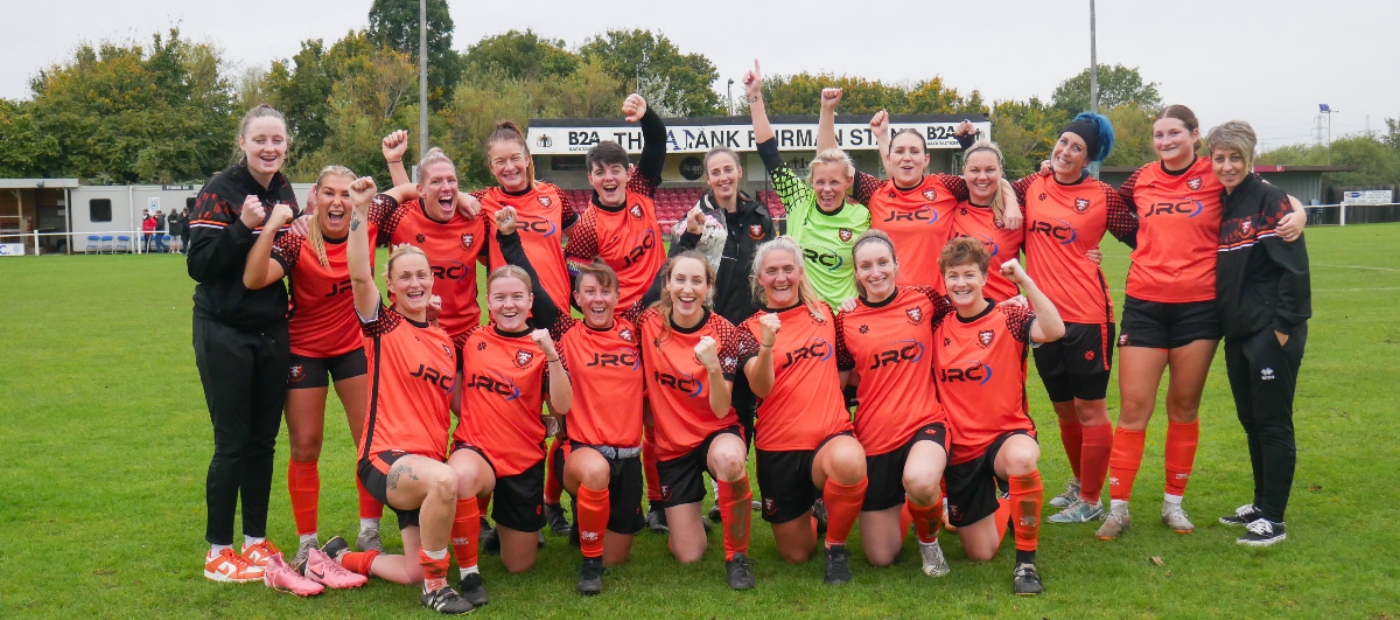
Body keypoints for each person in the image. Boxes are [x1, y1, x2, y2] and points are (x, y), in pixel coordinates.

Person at [1099, 105, 1306, 539]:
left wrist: (1299, 211)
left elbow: (1270, 194)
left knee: (1184, 408)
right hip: (1145, 302)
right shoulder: (1142, 177)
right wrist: (1137, 242)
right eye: (1158, 135)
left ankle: (1174, 505)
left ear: (1194, 136)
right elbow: (1111, 206)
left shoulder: (1217, 173)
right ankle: (1118, 508)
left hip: (1201, 307)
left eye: (1174, 133)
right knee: (1134, 407)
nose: (1165, 141)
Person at [323, 175, 475, 614]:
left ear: (432, 281)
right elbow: (356, 273)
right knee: (446, 480)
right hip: (385, 460)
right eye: (404, 276)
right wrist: (359, 213)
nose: (414, 283)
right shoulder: (383, 326)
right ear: (390, 285)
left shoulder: (445, 340)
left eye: (421, 275)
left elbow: (459, 404)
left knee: (411, 567)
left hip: (424, 466)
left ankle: (337, 557)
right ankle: (437, 588)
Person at [242, 165, 386, 565]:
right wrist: (272, 227)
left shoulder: (369, 219)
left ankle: (369, 531)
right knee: (305, 445)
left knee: (369, 443)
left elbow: (413, 194)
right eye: (329, 193)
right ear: (315, 198)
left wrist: (386, 180)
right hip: (305, 349)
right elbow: (254, 279)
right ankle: (307, 539)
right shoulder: (297, 238)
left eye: (345, 193)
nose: (337, 201)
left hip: (355, 347)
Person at [997, 116, 1132, 525]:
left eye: (1077, 147)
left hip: (1088, 314)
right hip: (1042, 319)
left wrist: (1094, 255)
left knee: (1090, 409)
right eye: (1063, 141)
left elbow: (1144, 236)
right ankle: (1078, 482)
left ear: (1089, 157)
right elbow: (996, 184)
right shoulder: (1032, 186)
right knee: (1064, 410)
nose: (1065, 152)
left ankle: (1091, 500)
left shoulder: (1103, 195)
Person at [187, 103, 299, 582]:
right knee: (231, 443)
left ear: (286, 145)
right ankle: (218, 551)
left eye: (277, 140)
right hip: (224, 330)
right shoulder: (221, 189)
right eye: (260, 140)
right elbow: (200, 264)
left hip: (271, 331)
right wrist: (243, 226)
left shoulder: (285, 189)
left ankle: (254, 542)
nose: (269, 148)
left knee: (263, 442)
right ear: (243, 143)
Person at [445, 208, 574, 601]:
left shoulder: (543, 345)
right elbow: (446, 375)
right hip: (478, 449)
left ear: (530, 300)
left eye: (517, 297)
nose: (509, 304)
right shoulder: (472, 339)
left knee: (519, 565)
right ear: (489, 300)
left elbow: (563, 407)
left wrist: (552, 355)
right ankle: (469, 575)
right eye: (500, 297)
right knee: (460, 478)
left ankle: (504, 526)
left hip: (523, 459)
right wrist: (465, 411)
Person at [561, 93, 670, 536]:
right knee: (602, 416)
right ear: (590, 177)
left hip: (659, 319)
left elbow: (658, 144)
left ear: (628, 173)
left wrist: (647, 118)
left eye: (616, 169)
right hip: (619, 327)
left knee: (656, 414)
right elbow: (575, 273)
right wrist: (599, 311)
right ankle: (557, 503)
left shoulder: (642, 193)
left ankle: (659, 503)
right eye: (600, 171)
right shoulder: (587, 224)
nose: (609, 177)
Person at [933, 237, 1064, 596]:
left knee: (1022, 460)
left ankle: (1026, 564)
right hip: (962, 451)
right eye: (954, 276)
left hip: (1007, 435)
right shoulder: (937, 326)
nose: (962, 283)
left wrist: (1026, 282)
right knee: (981, 552)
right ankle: (1007, 500)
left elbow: (1054, 331)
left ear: (984, 276)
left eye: (970, 275)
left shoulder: (1009, 315)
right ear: (944, 280)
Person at [737, 237, 868, 584]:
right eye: (772, 271)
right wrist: (768, 343)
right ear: (759, 278)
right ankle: (818, 508)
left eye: (788, 269)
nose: (781, 278)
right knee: (795, 555)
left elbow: (847, 365)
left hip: (829, 437)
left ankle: (836, 549)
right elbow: (760, 387)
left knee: (850, 462)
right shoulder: (748, 330)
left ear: (800, 273)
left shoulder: (824, 314)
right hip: (778, 448)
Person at [1207, 120, 1310, 546]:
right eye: (1220, 158)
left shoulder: (1268, 200)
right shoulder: (1224, 201)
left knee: (1272, 423)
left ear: (1249, 158)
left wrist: (1282, 329)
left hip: (1270, 332)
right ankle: (1260, 502)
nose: (1227, 166)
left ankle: (1275, 519)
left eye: (1235, 158)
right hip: (1239, 331)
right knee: (1251, 421)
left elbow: (1294, 270)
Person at [834, 230, 956, 577]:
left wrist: (1010, 304)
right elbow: (841, 380)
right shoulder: (845, 318)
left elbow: (969, 312)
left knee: (919, 479)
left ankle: (929, 543)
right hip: (875, 437)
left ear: (896, 264)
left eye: (883, 262)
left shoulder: (924, 299)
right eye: (866, 266)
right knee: (880, 557)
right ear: (856, 273)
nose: (876, 272)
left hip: (924, 422)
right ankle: (913, 507)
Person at [636, 250, 760, 590]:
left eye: (697, 281)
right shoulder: (649, 322)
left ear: (709, 288)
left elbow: (722, 408)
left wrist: (713, 367)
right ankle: (687, 522)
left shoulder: (724, 331)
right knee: (687, 554)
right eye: (680, 280)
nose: (687, 289)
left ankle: (737, 558)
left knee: (731, 460)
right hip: (673, 446)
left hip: (716, 432)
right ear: (667, 284)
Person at [745, 62, 871, 308]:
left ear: (847, 182)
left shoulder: (862, 216)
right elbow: (769, 154)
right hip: (806, 317)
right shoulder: (799, 200)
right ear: (811, 182)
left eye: (834, 182)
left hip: (846, 317)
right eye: (820, 181)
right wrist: (755, 96)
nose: (827, 188)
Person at [856, 111, 1018, 293]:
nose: (907, 157)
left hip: (937, 302)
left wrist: (1010, 200)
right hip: (889, 300)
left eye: (915, 151)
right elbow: (830, 168)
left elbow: (983, 179)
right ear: (888, 158)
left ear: (926, 160)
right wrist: (827, 110)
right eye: (900, 151)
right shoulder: (875, 191)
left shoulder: (945, 186)